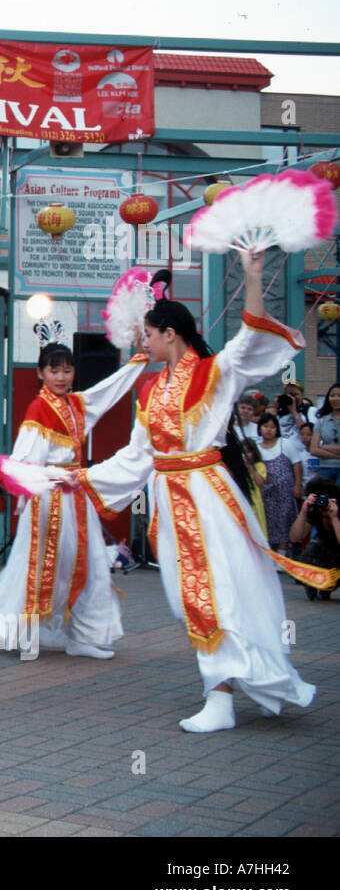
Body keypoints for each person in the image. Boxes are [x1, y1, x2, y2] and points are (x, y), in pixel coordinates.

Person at [76, 245, 329, 733]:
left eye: (148, 335)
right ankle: (222, 687)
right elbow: (139, 455)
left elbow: (251, 337)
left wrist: (253, 276)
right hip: (172, 500)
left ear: (170, 334)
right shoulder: (151, 389)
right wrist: (84, 477)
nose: (142, 343)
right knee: (187, 594)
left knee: (219, 589)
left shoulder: (215, 373)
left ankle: (220, 694)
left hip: (208, 497)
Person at [0, 342, 147, 659]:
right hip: (47, 499)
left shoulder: (76, 405)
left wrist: (138, 362)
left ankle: (84, 636)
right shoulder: (38, 409)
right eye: (54, 370)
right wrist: (32, 487)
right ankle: (21, 632)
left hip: (76, 498)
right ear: (40, 373)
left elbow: (108, 391)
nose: (61, 376)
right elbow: (24, 462)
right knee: (40, 565)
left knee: (92, 564)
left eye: (67, 370)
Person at [256, 413, 304, 551]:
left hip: (284, 493)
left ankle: (282, 555)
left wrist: (298, 485)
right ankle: (271, 554)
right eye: (266, 426)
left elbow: (296, 464)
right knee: (268, 522)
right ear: (260, 428)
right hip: (265, 494)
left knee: (283, 522)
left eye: (272, 427)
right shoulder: (256, 447)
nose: (269, 430)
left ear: (277, 429)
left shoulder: (285, 443)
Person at [290, 476, 340, 600]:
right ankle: (312, 585)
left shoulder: (338, 510)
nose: (322, 505)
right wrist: (303, 512)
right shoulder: (315, 511)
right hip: (326, 552)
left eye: (325, 499)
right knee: (312, 547)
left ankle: (328, 586)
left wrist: (334, 518)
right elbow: (295, 538)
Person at [308, 383, 340, 483]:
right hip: (325, 469)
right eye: (332, 395)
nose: (335, 399)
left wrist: (325, 447)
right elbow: (313, 449)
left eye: (339, 395)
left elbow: (319, 448)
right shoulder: (321, 421)